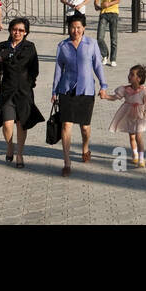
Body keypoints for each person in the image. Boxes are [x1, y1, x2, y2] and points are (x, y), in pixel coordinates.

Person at [50, 13, 109, 177]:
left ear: (84, 28)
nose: (75, 30)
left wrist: (103, 86)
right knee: (66, 125)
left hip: (86, 90)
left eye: (78, 27)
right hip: (67, 90)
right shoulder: (63, 46)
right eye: (72, 27)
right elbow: (58, 70)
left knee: (84, 127)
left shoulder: (92, 44)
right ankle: (67, 162)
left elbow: (98, 66)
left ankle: (85, 147)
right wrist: (54, 91)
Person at [0, 17, 44, 168]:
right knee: (7, 124)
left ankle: (19, 154)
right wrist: (1, 57)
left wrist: (29, 83)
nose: (17, 32)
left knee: (21, 124)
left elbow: (34, 69)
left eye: (21, 30)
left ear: (26, 32)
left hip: (24, 92)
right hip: (7, 91)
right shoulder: (3, 46)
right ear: (10, 30)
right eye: (14, 29)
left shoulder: (30, 47)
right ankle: (9, 146)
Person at [105, 64, 146, 169]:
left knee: (138, 136)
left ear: (139, 78)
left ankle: (141, 158)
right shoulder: (125, 89)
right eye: (129, 74)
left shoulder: (144, 92)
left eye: (132, 74)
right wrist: (105, 96)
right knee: (131, 136)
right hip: (128, 114)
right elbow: (115, 97)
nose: (129, 76)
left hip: (140, 116)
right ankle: (134, 154)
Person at [95, 0, 121, 66]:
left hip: (113, 13)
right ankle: (105, 54)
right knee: (99, 37)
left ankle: (113, 59)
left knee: (113, 38)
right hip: (103, 14)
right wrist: (96, 5)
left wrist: (108, 4)